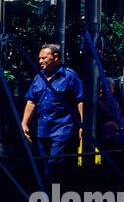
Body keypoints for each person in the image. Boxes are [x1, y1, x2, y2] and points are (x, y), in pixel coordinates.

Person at [21, 44, 84, 181]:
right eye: (39, 58)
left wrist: (82, 124)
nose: (40, 61)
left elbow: (80, 100)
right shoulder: (39, 77)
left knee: (55, 163)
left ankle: (57, 196)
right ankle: (49, 196)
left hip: (62, 128)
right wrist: (24, 123)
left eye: (43, 58)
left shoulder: (69, 76)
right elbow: (31, 101)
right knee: (45, 164)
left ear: (55, 57)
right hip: (43, 130)